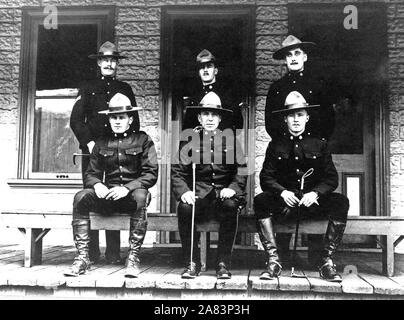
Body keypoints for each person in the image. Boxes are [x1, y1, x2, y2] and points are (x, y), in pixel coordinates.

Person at [254, 91, 349, 282]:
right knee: (261, 200)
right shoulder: (275, 145)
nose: (296, 120)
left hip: (312, 204)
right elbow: (266, 177)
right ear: (285, 118)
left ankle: (325, 261)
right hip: (285, 206)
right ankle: (274, 260)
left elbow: (331, 179)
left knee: (341, 202)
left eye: (300, 115)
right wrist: (282, 192)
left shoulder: (320, 144)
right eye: (291, 115)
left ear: (307, 117)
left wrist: (315, 193)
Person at [64, 93, 158, 277]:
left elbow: (151, 174)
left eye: (121, 117)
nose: (117, 121)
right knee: (80, 197)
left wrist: (127, 188)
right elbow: (91, 173)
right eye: (113, 117)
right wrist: (98, 185)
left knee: (141, 196)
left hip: (132, 196)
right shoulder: (101, 142)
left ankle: (133, 257)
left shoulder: (143, 140)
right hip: (108, 196)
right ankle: (83, 257)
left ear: (130, 119)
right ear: (109, 119)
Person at [265, 35, 336, 263]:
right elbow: (271, 123)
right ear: (284, 60)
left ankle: (317, 257)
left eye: (297, 53)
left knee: (313, 200)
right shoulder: (277, 88)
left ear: (304, 56)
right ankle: (282, 256)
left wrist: (314, 144)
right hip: (286, 152)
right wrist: (284, 146)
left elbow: (328, 120)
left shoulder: (319, 84)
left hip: (312, 152)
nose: (293, 58)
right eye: (289, 54)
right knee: (284, 199)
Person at [70, 41, 140, 265]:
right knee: (92, 195)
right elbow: (75, 120)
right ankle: (89, 253)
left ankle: (112, 253)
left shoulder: (125, 89)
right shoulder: (88, 87)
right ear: (99, 62)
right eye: (105, 60)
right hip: (93, 152)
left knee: (114, 192)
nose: (109, 64)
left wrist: (127, 146)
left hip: (117, 150)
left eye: (113, 61)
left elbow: (134, 123)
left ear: (116, 64)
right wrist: (89, 142)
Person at [171, 92, 247, 279]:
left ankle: (222, 263)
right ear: (199, 117)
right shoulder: (189, 141)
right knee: (185, 208)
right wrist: (184, 192)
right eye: (206, 114)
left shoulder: (231, 141)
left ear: (220, 118)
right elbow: (177, 172)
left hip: (224, 194)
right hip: (200, 195)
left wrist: (233, 188)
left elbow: (242, 170)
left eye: (214, 114)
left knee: (231, 206)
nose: (210, 118)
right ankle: (191, 262)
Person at [182, 49, 244, 131]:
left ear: (215, 71)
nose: (205, 70)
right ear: (198, 72)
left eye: (209, 66)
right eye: (202, 67)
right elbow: (187, 128)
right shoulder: (195, 97)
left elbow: (238, 125)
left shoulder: (227, 95)